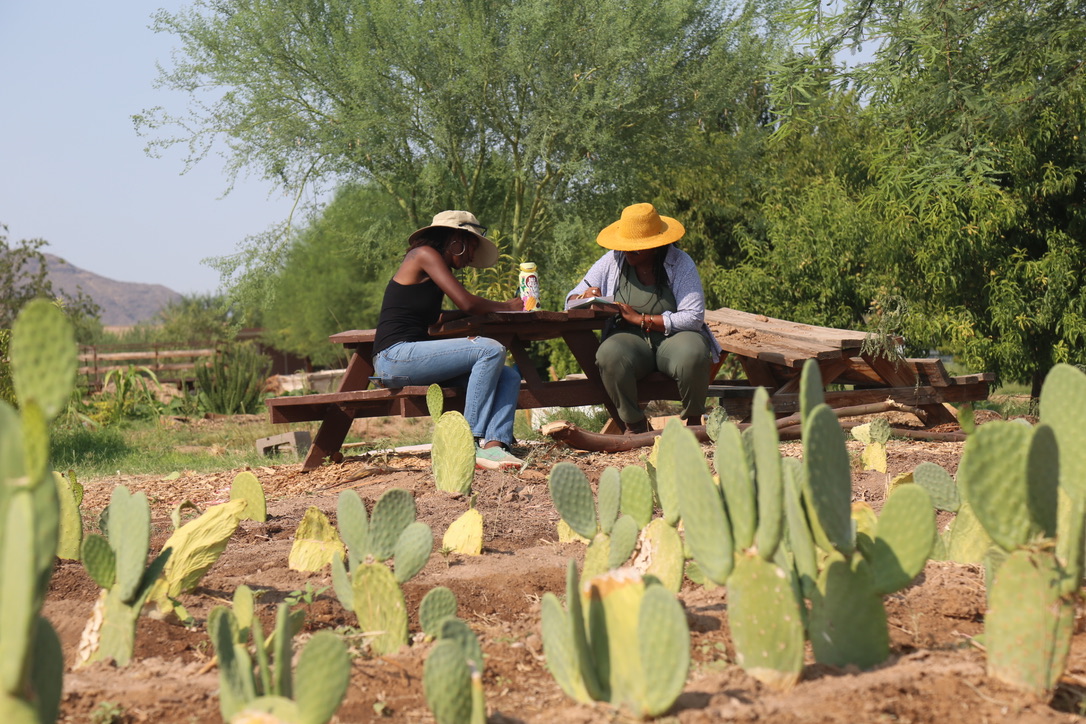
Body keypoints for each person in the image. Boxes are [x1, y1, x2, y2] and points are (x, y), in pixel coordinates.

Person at [372, 210, 526, 469]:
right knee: (490, 350)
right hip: (394, 357)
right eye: (471, 248)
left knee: (508, 375)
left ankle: (494, 447)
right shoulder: (424, 255)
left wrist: (477, 311)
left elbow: (434, 320)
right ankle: (468, 441)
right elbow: (466, 301)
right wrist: (508, 306)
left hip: (411, 357)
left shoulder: (431, 271)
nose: (471, 258)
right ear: (457, 239)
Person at [565, 203, 722, 433]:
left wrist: (640, 319)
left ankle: (694, 421)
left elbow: (693, 317)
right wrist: (584, 295)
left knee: (694, 352)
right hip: (629, 339)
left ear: (656, 246)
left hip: (674, 337)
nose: (628, 252)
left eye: (636, 248)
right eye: (626, 246)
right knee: (609, 354)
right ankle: (634, 424)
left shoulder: (680, 263)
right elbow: (569, 300)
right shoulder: (612, 260)